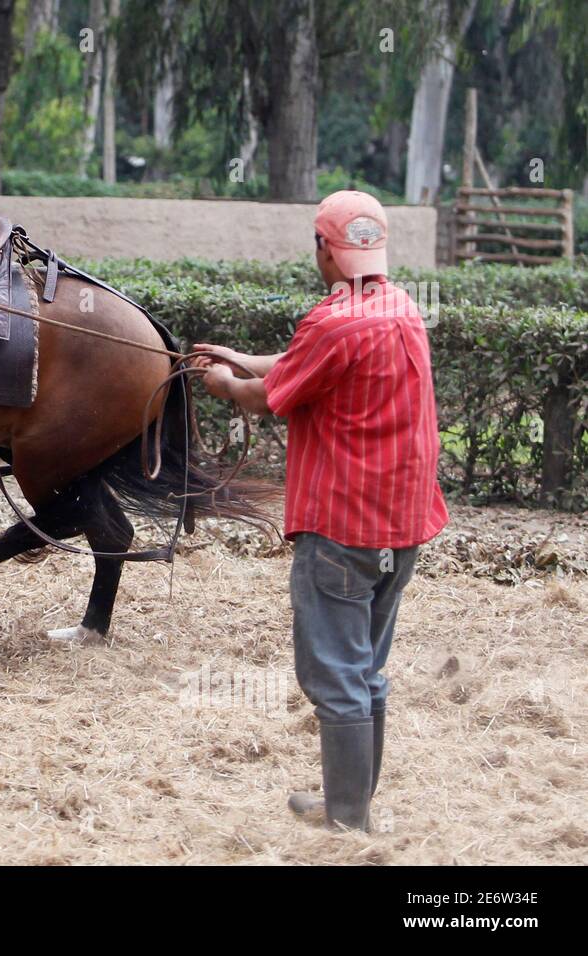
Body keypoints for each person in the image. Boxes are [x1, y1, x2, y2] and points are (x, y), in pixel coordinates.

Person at [192, 190, 449, 832]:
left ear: (324, 250)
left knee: (333, 674)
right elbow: (305, 368)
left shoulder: (331, 322)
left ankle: (346, 823)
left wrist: (226, 384)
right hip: (401, 527)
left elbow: (266, 397)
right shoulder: (400, 309)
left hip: (342, 528)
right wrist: (240, 358)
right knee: (366, 668)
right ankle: (353, 802)